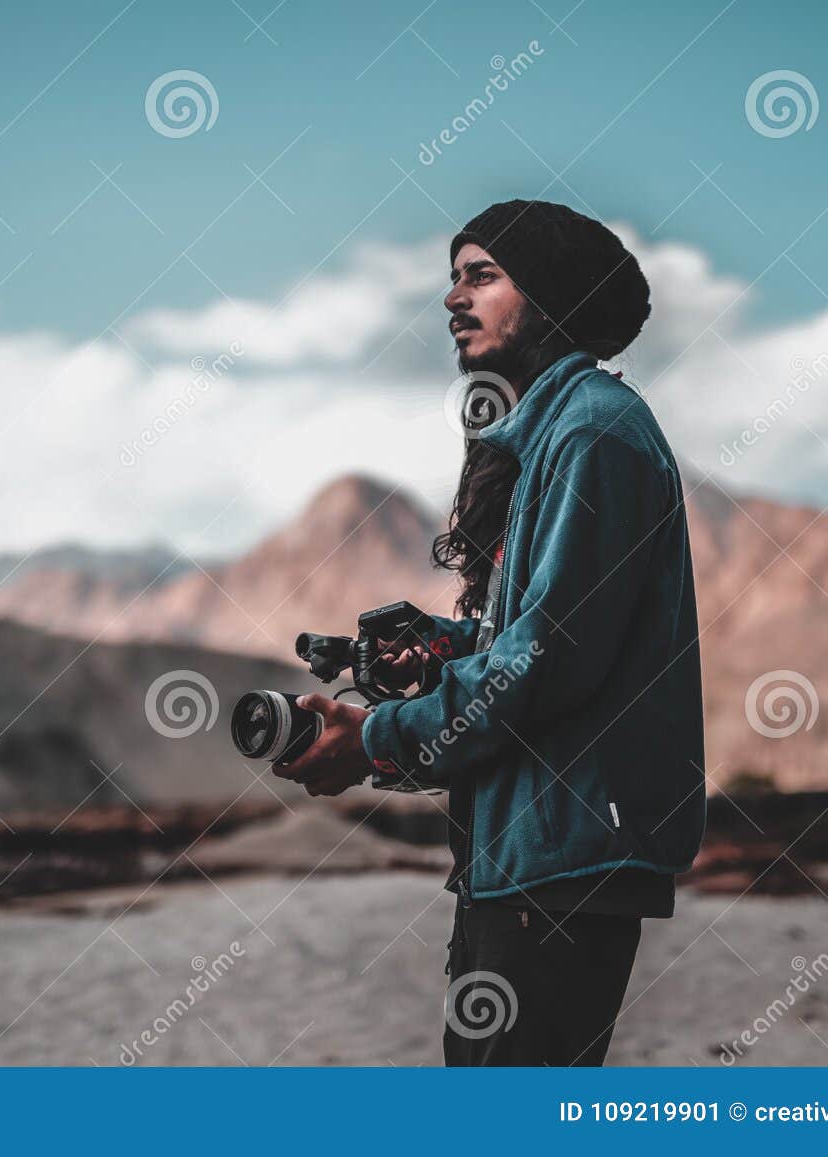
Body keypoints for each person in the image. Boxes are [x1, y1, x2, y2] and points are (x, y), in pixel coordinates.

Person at [275, 199, 706, 1066]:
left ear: (548, 296)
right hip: (524, 860)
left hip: (561, 865)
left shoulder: (593, 435)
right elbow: (543, 637)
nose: (452, 299)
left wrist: (377, 739)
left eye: (482, 276)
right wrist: (442, 648)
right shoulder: (558, 433)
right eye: (452, 279)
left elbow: (546, 661)